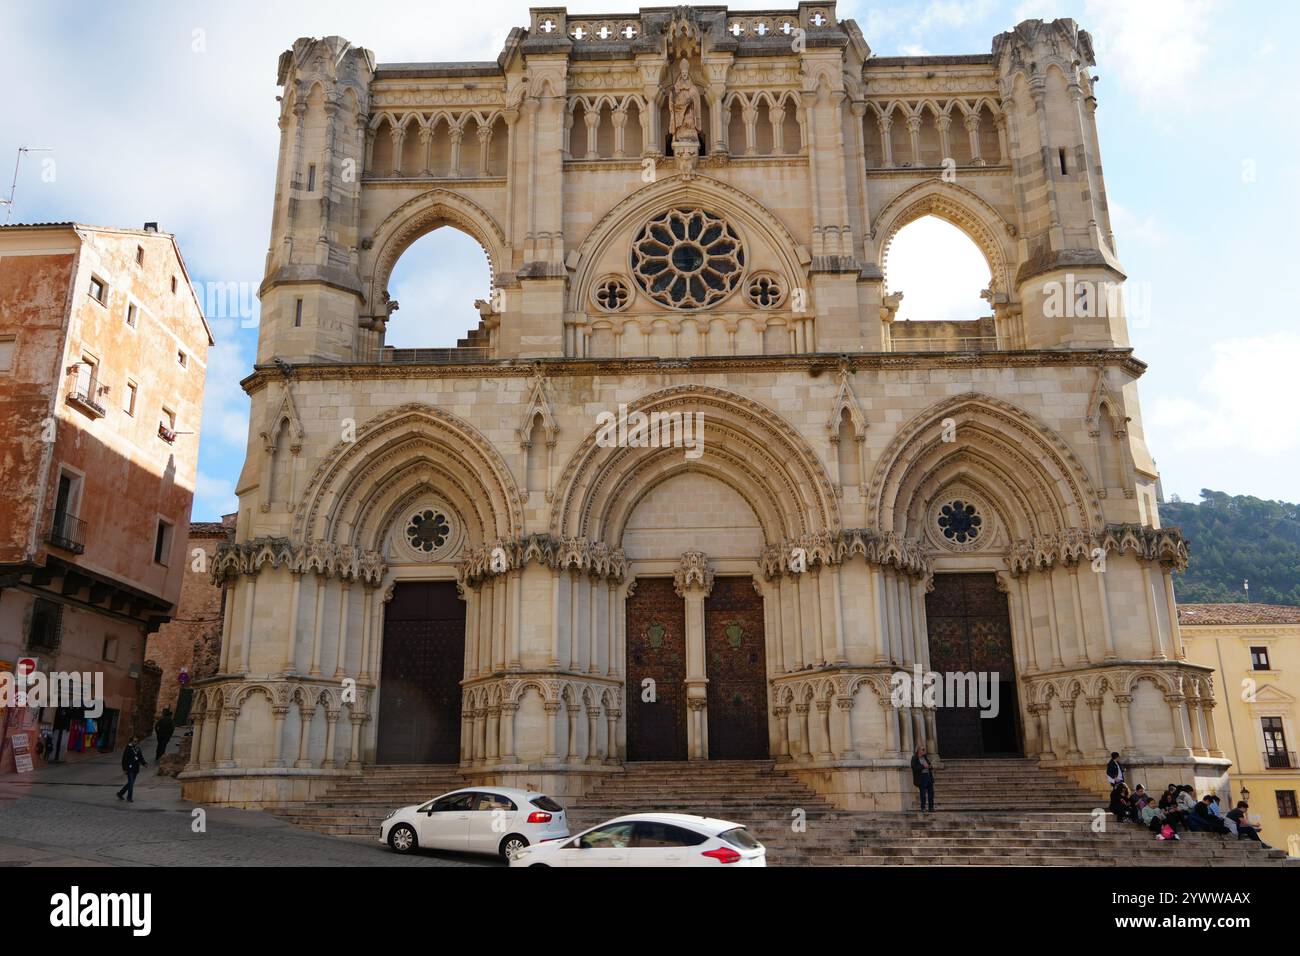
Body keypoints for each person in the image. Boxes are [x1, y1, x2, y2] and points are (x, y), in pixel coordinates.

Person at [117, 737, 147, 803]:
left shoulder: (137, 748)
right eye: (135, 741)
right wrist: (124, 769)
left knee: (130, 783)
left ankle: (120, 793)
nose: (136, 742)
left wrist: (144, 763)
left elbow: (140, 757)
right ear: (131, 742)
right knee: (131, 783)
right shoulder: (128, 749)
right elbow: (124, 759)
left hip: (136, 768)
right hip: (129, 768)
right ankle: (129, 797)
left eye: (137, 741)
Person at [911, 744, 935, 812]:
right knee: (923, 793)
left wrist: (930, 766)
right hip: (921, 777)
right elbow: (914, 768)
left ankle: (931, 807)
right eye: (923, 749)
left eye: (924, 749)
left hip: (928, 776)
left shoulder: (925, 757)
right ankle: (923, 807)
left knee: (931, 793)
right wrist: (923, 766)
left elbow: (929, 765)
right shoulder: (914, 758)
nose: (924, 751)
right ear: (918, 750)